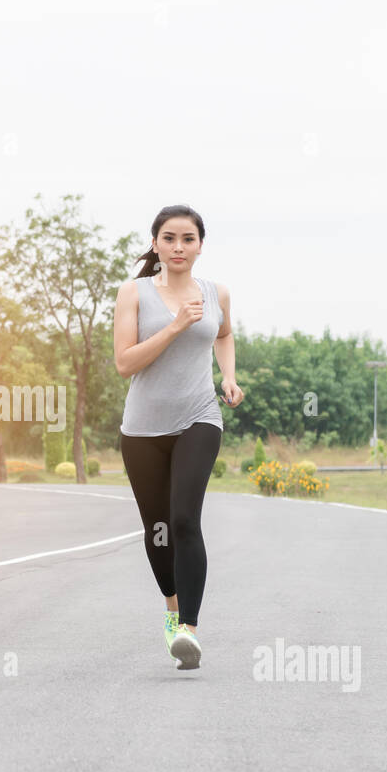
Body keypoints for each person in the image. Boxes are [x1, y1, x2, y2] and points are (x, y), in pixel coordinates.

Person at [113, 205, 244, 670]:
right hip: (143, 430)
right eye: (169, 238)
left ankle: (188, 628)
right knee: (159, 529)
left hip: (199, 417)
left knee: (185, 519)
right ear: (156, 244)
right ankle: (172, 611)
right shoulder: (134, 294)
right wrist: (174, 326)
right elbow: (125, 364)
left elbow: (224, 334)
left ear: (200, 245)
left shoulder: (217, 293)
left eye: (188, 239)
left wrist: (228, 376)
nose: (178, 247)